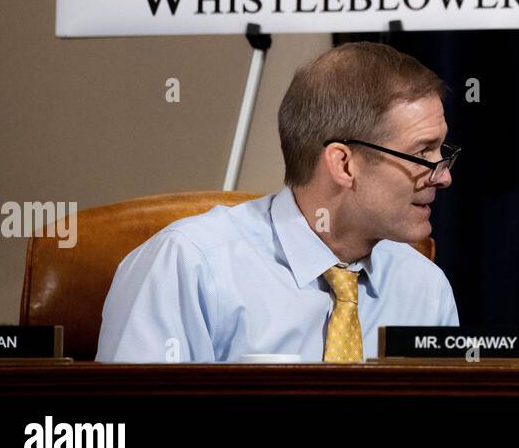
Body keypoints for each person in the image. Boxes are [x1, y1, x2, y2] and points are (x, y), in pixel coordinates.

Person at [96, 42, 460, 363]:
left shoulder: (425, 287)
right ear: (344, 164)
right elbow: (126, 428)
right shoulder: (189, 265)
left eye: (441, 150)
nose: (443, 176)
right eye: (422, 153)